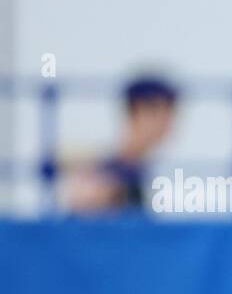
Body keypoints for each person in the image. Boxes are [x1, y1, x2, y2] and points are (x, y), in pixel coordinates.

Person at [64, 75, 178, 214]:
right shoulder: (107, 176)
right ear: (137, 113)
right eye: (157, 113)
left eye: (170, 114)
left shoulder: (139, 168)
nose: (167, 123)